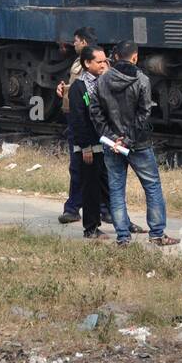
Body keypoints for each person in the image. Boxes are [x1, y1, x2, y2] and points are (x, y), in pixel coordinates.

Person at [90, 40, 178, 248]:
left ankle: (123, 238)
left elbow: (95, 111)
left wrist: (112, 137)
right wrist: (127, 139)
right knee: (152, 187)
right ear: (135, 57)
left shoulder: (102, 80)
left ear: (116, 57)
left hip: (112, 145)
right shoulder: (142, 80)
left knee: (117, 189)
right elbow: (144, 113)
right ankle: (157, 234)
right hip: (139, 143)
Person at [68, 45, 112, 238]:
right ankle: (91, 228)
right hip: (90, 148)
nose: (104, 65)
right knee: (91, 189)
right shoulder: (79, 87)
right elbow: (78, 119)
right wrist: (85, 147)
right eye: (99, 62)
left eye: (105, 61)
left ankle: (119, 222)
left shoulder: (104, 83)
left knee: (108, 187)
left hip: (105, 146)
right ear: (87, 63)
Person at [57, 27, 97, 224]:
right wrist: (64, 90)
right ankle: (74, 207)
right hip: (75, 119)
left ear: (84, 42)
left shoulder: (95, 65)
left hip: (84, 122)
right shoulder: (78, 62)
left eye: (76, 41)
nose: (74, 44)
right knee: (78, 167)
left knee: (83, 166)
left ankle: (75, 207)